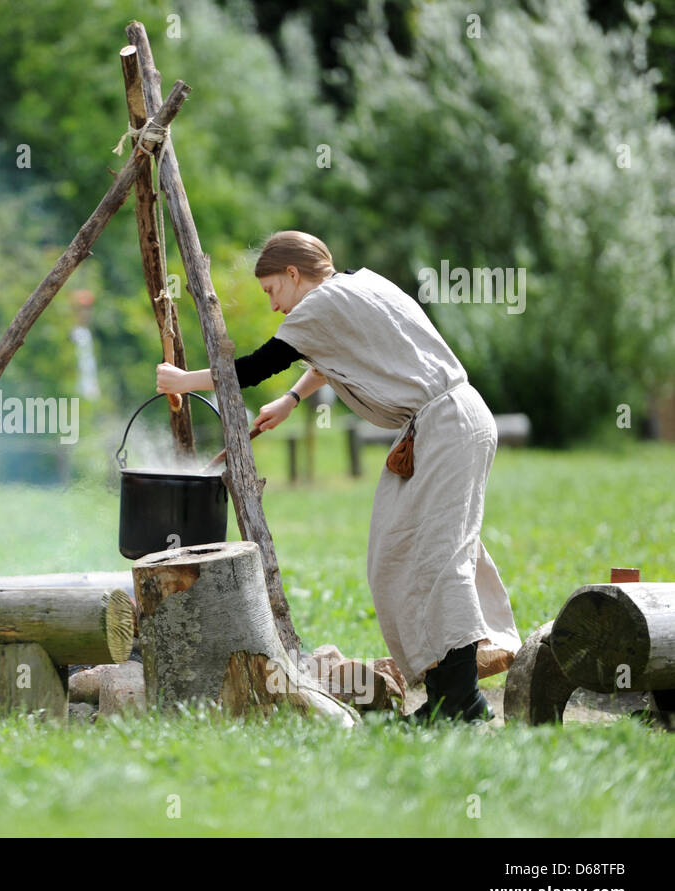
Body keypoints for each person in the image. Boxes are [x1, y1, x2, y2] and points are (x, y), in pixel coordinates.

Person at [155, 230, 521, 723]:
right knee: (398, 551)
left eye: (271, 291)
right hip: (441, 423)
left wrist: (182, 380)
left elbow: (252, 368)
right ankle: (446, 692)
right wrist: (292, 400)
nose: (273, 305)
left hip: (448, 425)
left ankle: (460, 702)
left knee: (439, 558)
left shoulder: (321, 305)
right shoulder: (360, 284)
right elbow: (334, 358)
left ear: (292, 274)